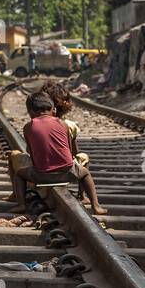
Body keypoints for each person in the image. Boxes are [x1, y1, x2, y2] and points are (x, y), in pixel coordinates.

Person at [42, 81, 106, 215]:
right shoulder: (70, 125)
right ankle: (84, 196)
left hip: (41, 171)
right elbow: (74, 152)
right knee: (83, 158)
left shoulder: (35, 125)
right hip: (65, 172)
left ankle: (19, 198)